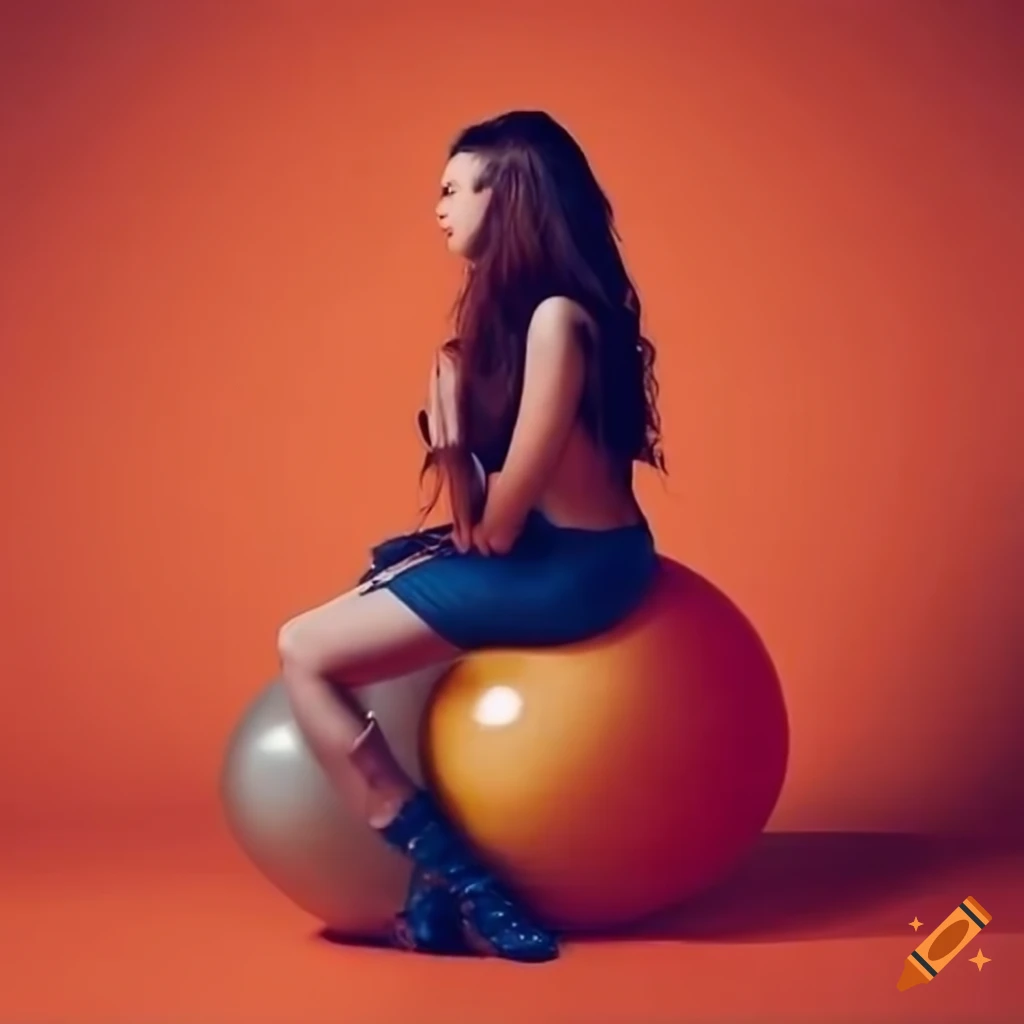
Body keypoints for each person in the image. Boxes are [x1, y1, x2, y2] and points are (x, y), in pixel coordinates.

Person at [277, 110, 667, 963]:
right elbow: (475, 526)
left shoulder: (558, 320)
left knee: (303, 647)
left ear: (510, 191)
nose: (440, 209)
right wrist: (451, 454)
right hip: (548, 556)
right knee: (375, 590)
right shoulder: (500, 333)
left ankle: (461, 882)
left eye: (455, 188)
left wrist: (453, 447)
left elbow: (490, 535)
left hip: (579, 574)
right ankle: (434, 899)